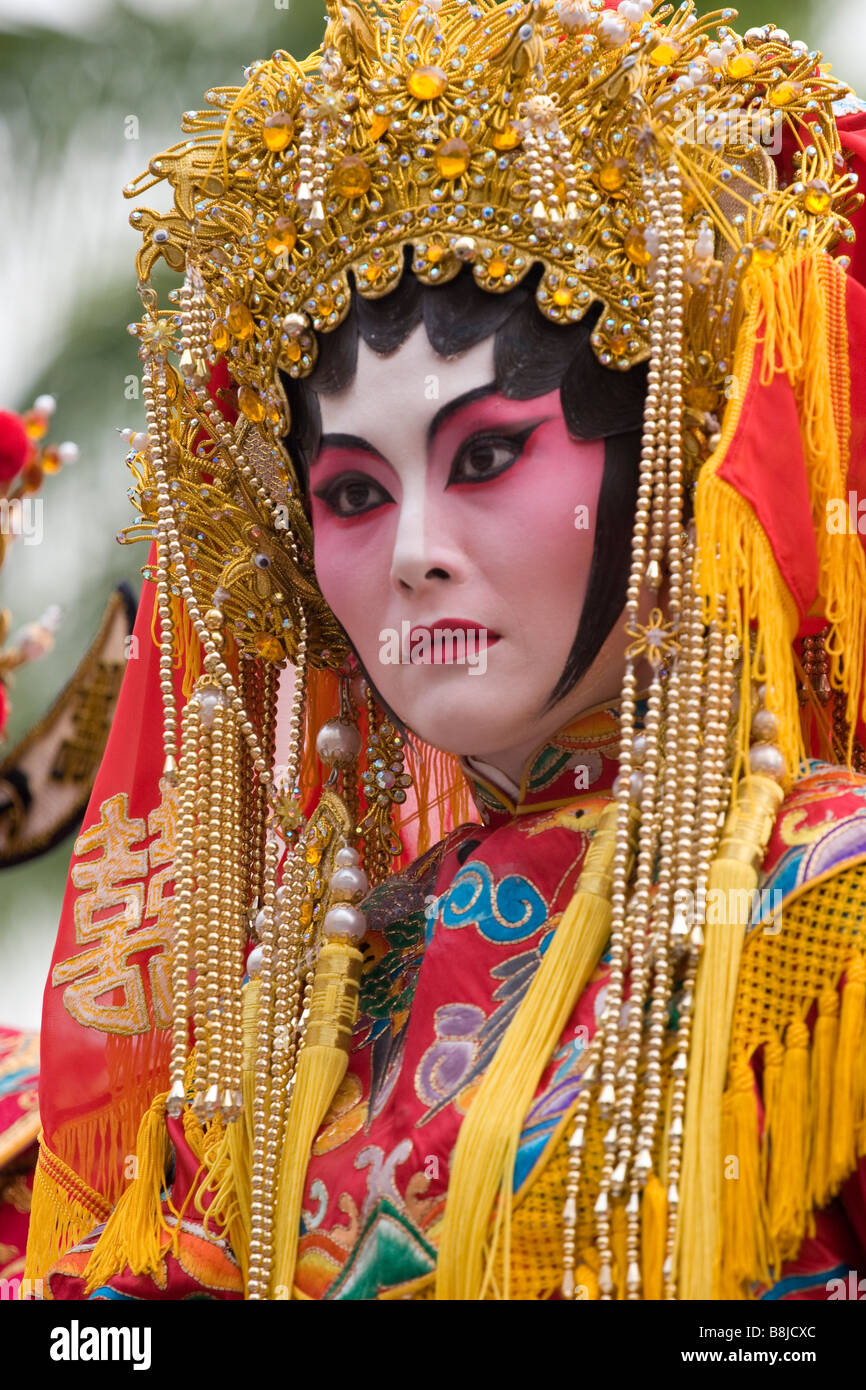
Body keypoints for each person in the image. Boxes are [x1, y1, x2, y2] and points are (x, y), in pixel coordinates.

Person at [25, 0, 866, 1300]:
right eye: (353, 492)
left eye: (484, 458)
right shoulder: (303, 995)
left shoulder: (825, 906)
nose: (414, 547)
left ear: (665, 464)